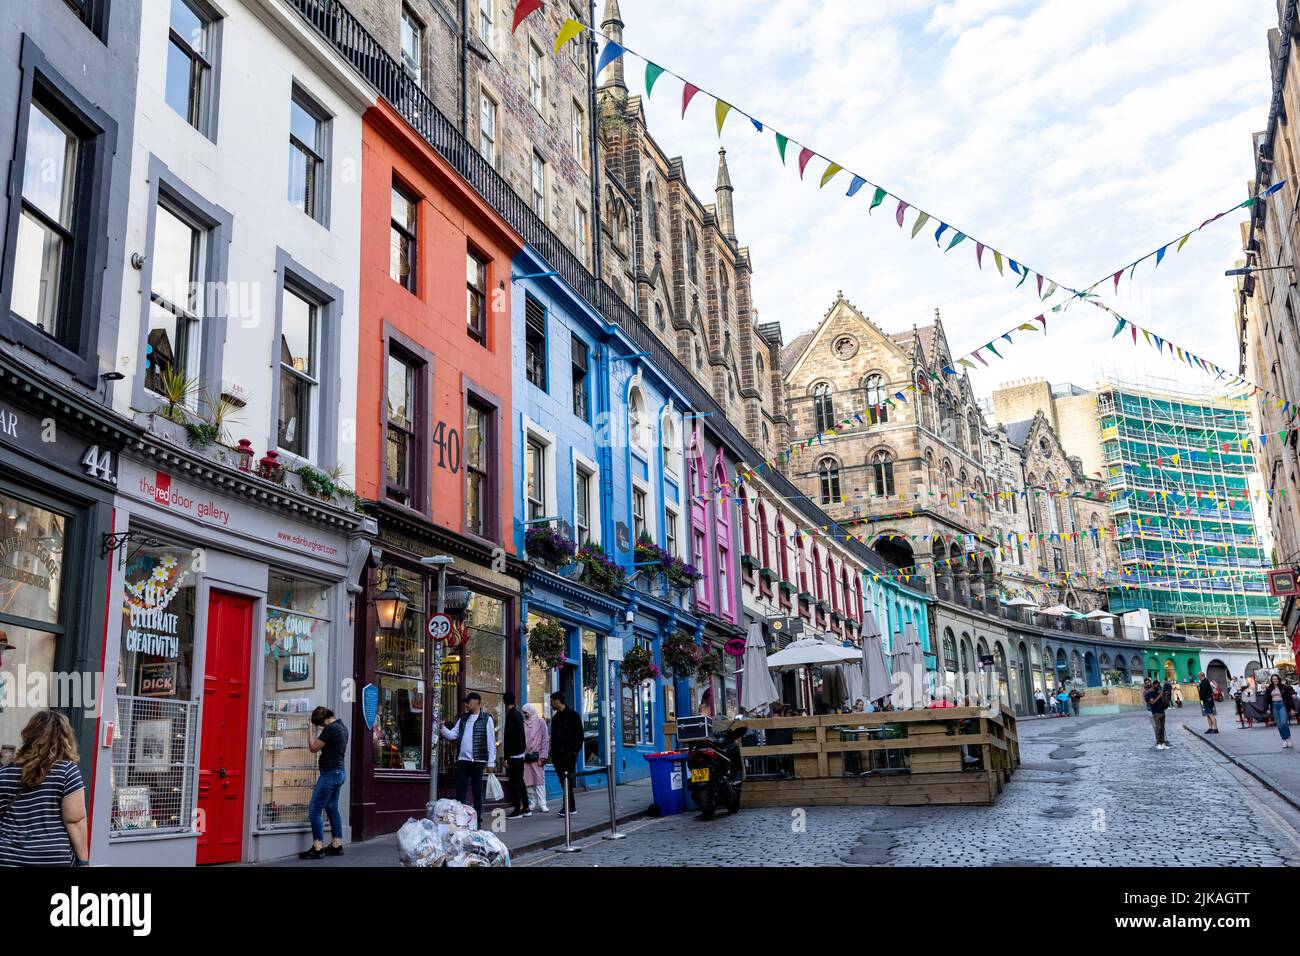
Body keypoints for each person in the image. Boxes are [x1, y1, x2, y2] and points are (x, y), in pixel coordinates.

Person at [0, 711, 87, 866]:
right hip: (51, 857)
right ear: (65, 738)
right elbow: (75, 820)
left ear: (29, 735)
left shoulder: (5, 772)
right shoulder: (67, 771)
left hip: (9, 857)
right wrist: (83, 861)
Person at [440, 692, 496, 828]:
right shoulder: (463, 718)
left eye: (468, 701)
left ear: (477, 702)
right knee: (460, 790)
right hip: (462, 761)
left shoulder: (486, 719)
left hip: (478, 761)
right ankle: (461, 820)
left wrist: (491, 762)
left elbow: (491, 742)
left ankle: (477, 820)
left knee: (477, 791)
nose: (466, 704)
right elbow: (452, 735)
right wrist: (441, 728)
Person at [299, 706, 349, 859]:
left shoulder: (331, 729)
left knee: (315, 809)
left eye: (320, 725)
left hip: (330, 774)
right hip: (340, 772)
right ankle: (336, 844)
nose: (321, 727)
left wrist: (309, 730)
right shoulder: (342, 726)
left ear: (324, 720)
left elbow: (313, 748)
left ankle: (318, 847)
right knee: (332, 808)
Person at [548, 691, 583, 815]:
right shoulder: (556, 718)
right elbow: (554, 737)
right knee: (563, 782)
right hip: (558, 756)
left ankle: (567, 807)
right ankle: (571, 807)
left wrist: (573, 752)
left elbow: (580, 736)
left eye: (552, 701)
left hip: (569, 755)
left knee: (566, 780)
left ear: (558, 701)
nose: (551, 704)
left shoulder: (574, 715)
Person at [502, 692, 529, 819]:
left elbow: (509, 737)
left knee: (515, 782)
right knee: (520, 781)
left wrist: (506, 756)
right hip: (520, 753)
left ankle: (517, 809)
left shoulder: (511, 716)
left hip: (514, 755)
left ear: (504, 702)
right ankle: (526, 807)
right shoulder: (518, 715)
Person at [522, 703, 550, 813]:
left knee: (539, 781)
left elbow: (545, 739)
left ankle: (543, 803)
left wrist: (543, 756)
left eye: (526, 711)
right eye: (524, 712)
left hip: (537, 756)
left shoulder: (540, 722)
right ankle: (532, 802)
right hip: (526, 756)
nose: (525, 714)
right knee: (528, 781)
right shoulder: (523, 723)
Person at [1265, 674, 1296, 749]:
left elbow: (1289, 698)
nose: (1275, 680)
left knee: (1284, 722)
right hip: (1274, 706)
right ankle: (1284, 740)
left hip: (1282, 705)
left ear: (1279, 679)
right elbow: (1266, 700)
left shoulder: (1284, 687)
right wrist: (1267, 709)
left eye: (1276, 679)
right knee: (1279, 724)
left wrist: (1292, 708)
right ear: (1271, 680)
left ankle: (1288, 738)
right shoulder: (1269, 689)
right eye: (1273, 679)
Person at [1144, 678, 1169, 749]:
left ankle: (1163, 742)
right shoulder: (1147, 693)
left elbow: (1162, 700)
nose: (1148, 683)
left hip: (1161, 711)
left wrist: (1164, 695)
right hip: (1152, 711)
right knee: (1157, 727)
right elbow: (1152, 702)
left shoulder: (1157, 691)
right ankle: (1158, 743)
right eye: (1146, 683)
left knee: (1162, 728)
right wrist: (1159, 696)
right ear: (1145, 684)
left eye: (1149, 682)